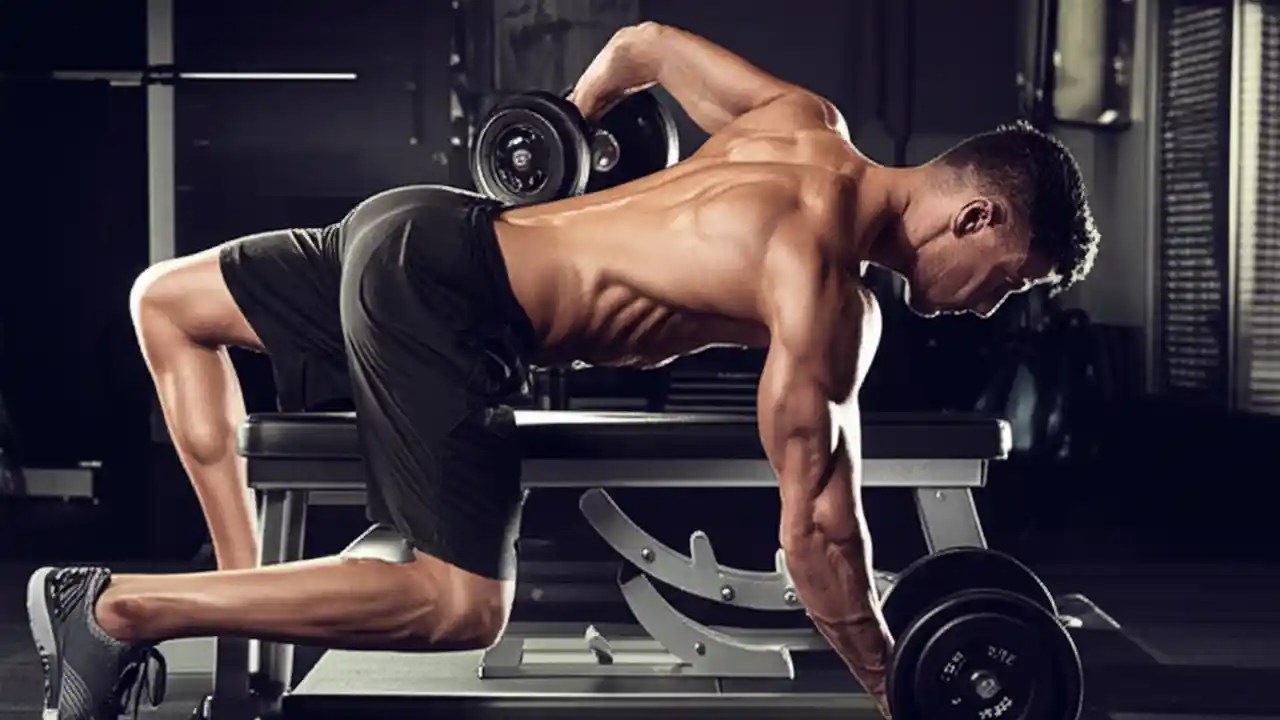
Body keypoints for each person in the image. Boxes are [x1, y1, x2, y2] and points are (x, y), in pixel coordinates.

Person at [27, 21, 1098, 719]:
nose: (990, 303)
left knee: (164, 301)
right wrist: (889, 685)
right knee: (458, 607)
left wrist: (572, 135)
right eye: (1007, 278)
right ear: (974, 213)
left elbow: (639, 45)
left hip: (426, 225)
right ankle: (122, 611)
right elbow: (818, 528)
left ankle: (225, 609)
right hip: (454, 302)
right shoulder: (821, 286)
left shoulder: (800, 123)